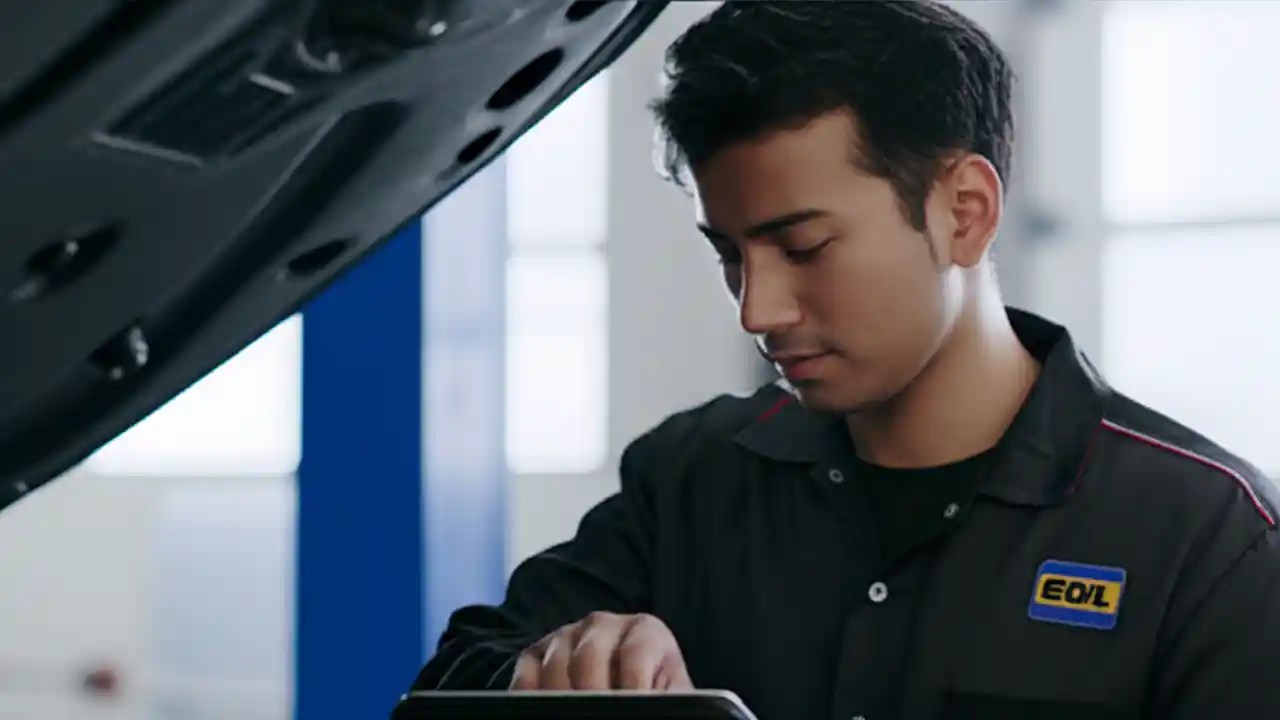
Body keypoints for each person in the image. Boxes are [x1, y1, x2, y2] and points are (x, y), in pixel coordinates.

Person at [413, 2, 1280, 718]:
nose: (757, 310)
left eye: (804, 247)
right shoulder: (691, 480)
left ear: (965, 212)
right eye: (730, 255)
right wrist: (559, 665)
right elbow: (451, 678)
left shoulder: (1208, 540)